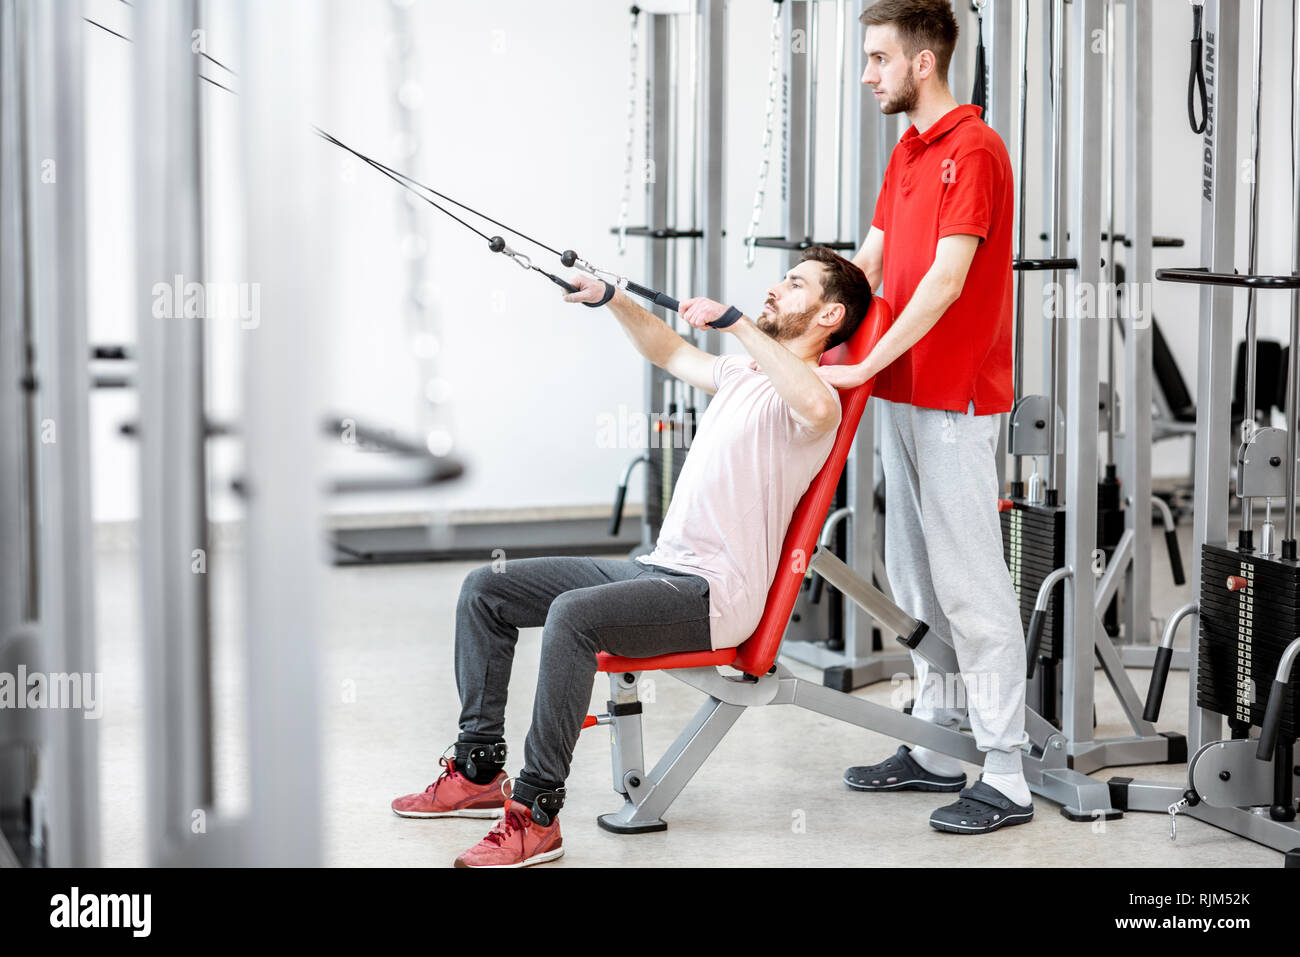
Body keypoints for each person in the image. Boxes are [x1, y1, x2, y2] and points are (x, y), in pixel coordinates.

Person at [391, 246, 872, 867]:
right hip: (659, 567)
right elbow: (669, 350)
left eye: (795, 283)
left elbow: (809, 402)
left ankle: (537, 814)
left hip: (711, 596)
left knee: (572, 615)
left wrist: (739, 325)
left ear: (830, 314)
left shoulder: (815, 402)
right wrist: (614, 300)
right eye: (781, 278)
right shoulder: (741, 375)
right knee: (489, 587)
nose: (777, 289)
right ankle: (478, 770)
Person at [823, 0, 1032, 834]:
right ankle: (943, 744)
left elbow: (946, 282)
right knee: (915, 582)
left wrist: (866, 362)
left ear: (922, 62)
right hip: (901, 397)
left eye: (878, 58)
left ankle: (1008, 771)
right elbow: (870, 262)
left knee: (972, 586)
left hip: (954, 403)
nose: (867, 73)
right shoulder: (906, 150)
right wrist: (805, 309)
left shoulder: (975, 151)